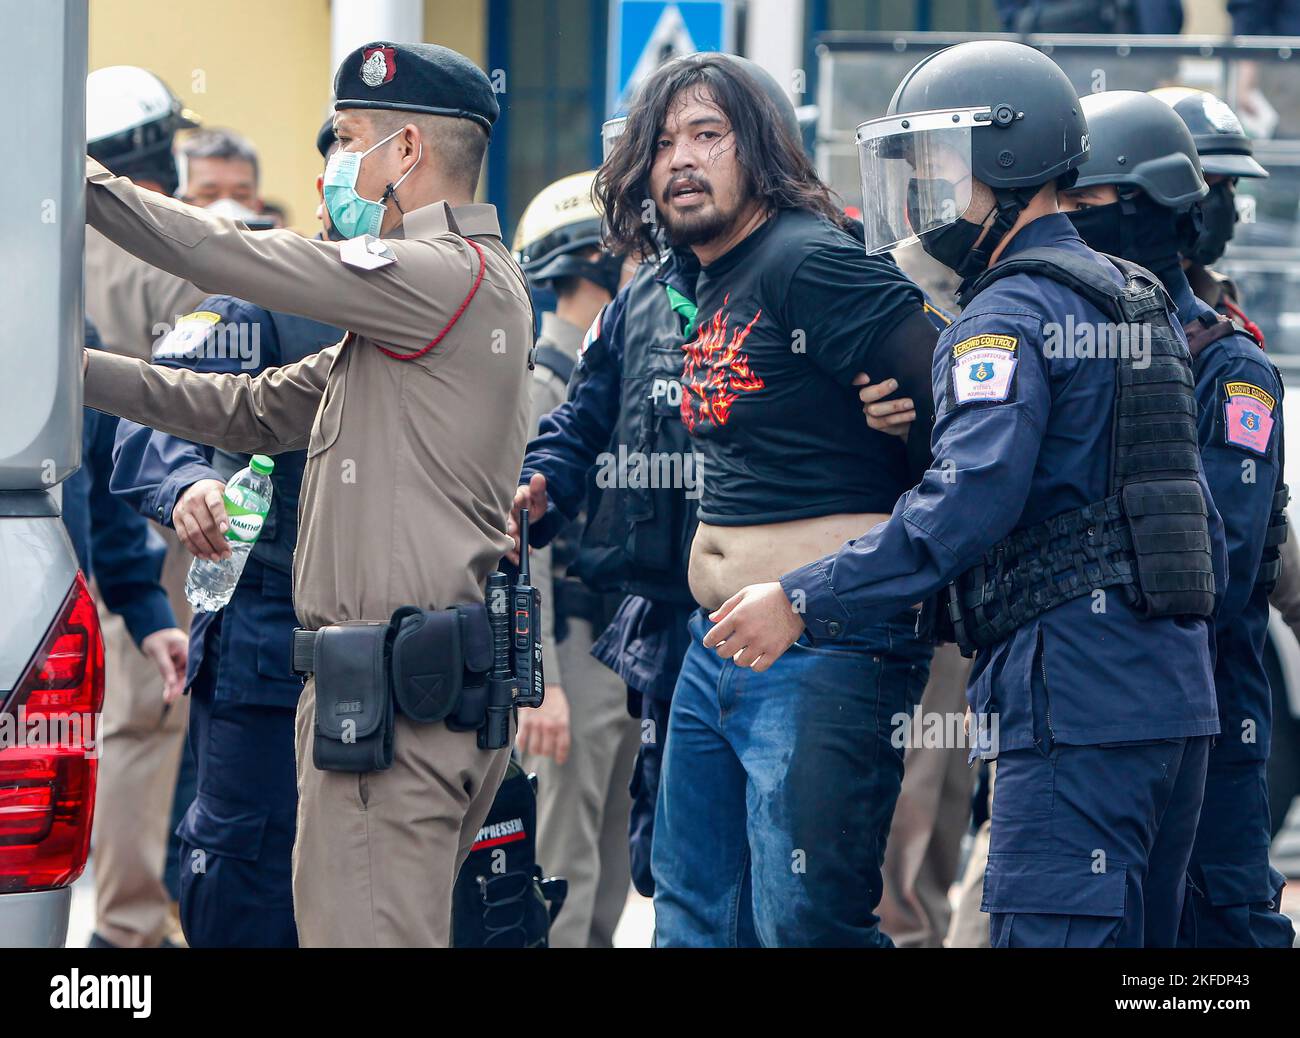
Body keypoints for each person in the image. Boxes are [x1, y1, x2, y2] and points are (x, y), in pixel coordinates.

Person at [710, 40, 1226, 948]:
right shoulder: (1135, 297)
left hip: (1071, 705)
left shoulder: (1009, 314)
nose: (933, 198)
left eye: (946, 171)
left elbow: (968, 502)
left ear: (1010, 162)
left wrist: (801, 598)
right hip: (1172, 707)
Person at [80, 41, 533, 947]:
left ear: (405, 152)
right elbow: (243, 410)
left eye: (348, 139)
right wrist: (62, 370)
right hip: (369, 695)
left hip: (396, 706)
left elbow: (233, 257)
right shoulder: (411, 311)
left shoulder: (444, 276)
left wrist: (70, 175)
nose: (332, 165)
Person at [566, 51, 941, 948]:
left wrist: (904, 427)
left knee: (806, 924)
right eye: (661, 144)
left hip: (825, 644)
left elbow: (964, 416)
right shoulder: (701, 277)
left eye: (707, 134)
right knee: (694, 916)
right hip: (713, 645)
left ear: (763, 146)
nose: (680, 161)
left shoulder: (807, 258)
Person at [1057, 89, 1294, 948]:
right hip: (1070, 717)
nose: (1070, 224)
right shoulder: (1064, 345)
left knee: (1218, 933)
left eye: (1088, 205)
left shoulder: (1225, 364)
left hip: (1200, 711)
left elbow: (1223, 571)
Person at [108, 120, 343, 948]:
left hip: (410, 664)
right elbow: (146, 416)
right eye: (348, 155)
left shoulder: (453, 305)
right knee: (245, 889)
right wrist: (190, 482)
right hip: (267, 657)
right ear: (322, 191)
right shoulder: (261, 297)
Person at [83, 63, 206, 950]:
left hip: (90, 515)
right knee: (147, 724)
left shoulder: (56, 241)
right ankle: (127, 927)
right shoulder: (171, 248)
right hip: (164, 515)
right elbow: (205, 392)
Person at [510, 168, 640, 947]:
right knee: (563, 865)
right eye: (630, 256)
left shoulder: (611, 372)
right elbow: (520, 544)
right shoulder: (542, 384)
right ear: (592, 264)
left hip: (620, 648)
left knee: (613, 854)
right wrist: (542, 685)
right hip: (570, 651)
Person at [1149, 88, 1270, 341]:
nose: (1223, 204)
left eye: (1229, 185)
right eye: (1205, 182)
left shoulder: (1217, 297)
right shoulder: (1098, 293)